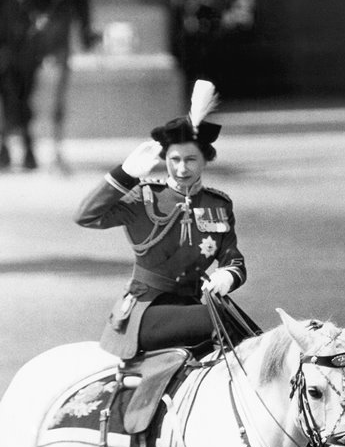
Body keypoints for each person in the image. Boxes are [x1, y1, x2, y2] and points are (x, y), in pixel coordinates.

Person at [75, 80, 249, 361]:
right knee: (222, 320)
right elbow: (86, 216)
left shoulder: (218, 204)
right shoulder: (143, 198)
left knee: (249, 334)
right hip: (146, 310)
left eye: (191, 160)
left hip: (192, 307)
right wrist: (124, 175)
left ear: (205, 160)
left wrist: (227, 275)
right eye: (174, 159)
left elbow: (234, 260)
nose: (182, 168)